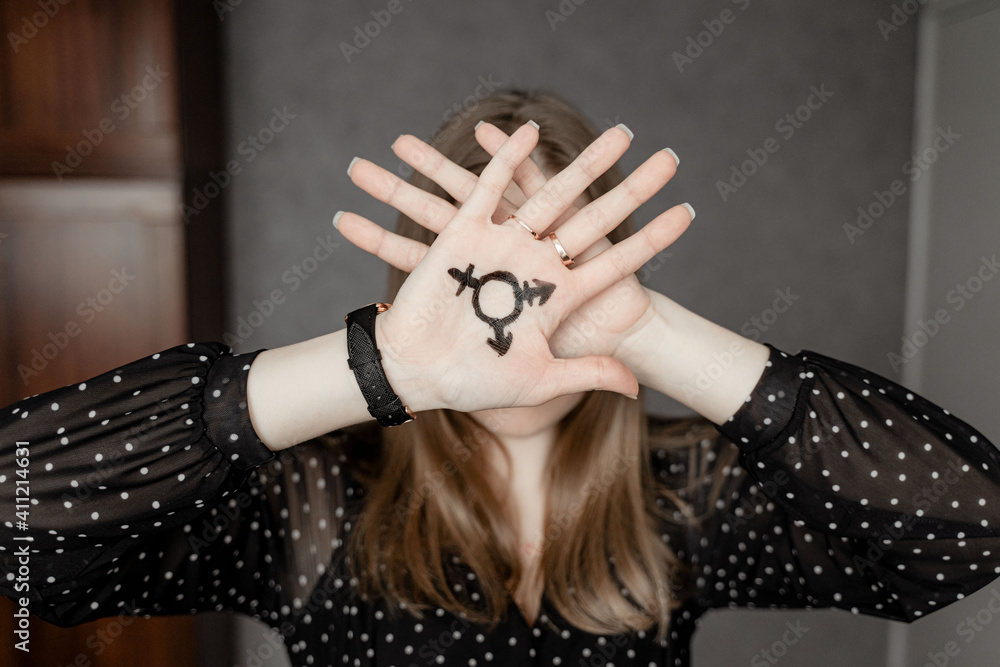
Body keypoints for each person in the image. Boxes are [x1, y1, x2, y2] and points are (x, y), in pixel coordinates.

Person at [1, 91, 999, 667]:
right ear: (421, 280)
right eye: (488, 268)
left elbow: (971, 525)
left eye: (568, 259)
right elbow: (19, 524)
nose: (527, 310)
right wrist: (376, 365)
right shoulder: (306, 499)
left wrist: (646, 328)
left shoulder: (685, 496)